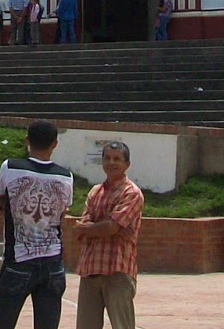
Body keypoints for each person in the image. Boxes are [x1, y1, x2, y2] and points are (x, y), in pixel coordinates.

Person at [0, 119, 74, 329]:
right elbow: (64, 209)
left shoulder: (11, 166)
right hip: (53, 260)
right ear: (55, 144)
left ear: (27, 140)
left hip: (19, 259)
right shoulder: (65, 176)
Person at [74, 141, 144, 329]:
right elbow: (88, 225)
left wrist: (88, 229)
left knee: (122, 325)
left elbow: (111, 227)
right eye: (107, 158)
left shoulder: (132, 193)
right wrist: (94, 228)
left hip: (117, 270)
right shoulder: (95, 192)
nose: (111, 163)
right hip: (91, 269)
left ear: (127, 164)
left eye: (117, 159)